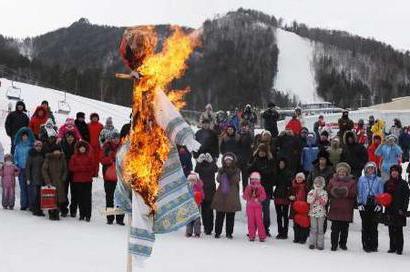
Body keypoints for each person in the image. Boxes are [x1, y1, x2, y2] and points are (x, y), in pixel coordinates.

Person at [327, 162, 357, 251]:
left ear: (347, 172)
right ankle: (334, 244)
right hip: (335, 207)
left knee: (344, 228)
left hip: (346, 208)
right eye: (340, 171)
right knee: (335, 228)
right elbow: (328, 190)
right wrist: (334, 191)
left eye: (344, 171)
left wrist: (345, 192)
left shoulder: (352, 182)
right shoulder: (332, 180)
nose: (341, 173)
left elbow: (353, 193)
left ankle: (343, 244)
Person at [212, 153, 241, 239]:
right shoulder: (221, 170)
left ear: (232, 161)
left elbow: (236, 179)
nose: (228, 162)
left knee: (230, 215)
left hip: (232, 195)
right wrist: (223, 175)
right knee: (219, 215)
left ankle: (229, 233)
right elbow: (218, 179)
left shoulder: (237, 170)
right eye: (226, 160)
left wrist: (229, 175)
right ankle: (217, 232)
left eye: (229, 160)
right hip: (221, 195)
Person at [248, 143, 275, 237]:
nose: (261, 153)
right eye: (260, 151)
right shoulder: (255, 160)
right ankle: (253, 229)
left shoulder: (270, 161)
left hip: (266, 190)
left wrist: (261, 172)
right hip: (255, 191)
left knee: (265, 211)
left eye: (263, 152)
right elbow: (249, 172)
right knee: (254, 212)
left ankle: (265, 229)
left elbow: (271, 174)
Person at [357, 162, 384, 253]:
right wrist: (360, 204)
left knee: (374, 226)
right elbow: (359, 192)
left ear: (375, 170)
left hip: (375, 205)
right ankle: (366, 244)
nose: (370, 170)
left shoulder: (379, 180)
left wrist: (379, 204)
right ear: (365, 170)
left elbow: (381, 193)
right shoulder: (362, 179)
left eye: (372, 168)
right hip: (364, 205)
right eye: (368, 168)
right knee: (365, 225)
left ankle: (374, 245)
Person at [384, 165, 410, 255]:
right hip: (389, 209)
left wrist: (404, 209)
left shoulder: (403, 184)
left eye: (396, 171)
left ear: (399, 172)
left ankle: (399, 248)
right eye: (392, 171)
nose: (394, 172)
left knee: (399, 230)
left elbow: (407, 198)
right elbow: (384, 196)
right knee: (391, 229)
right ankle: (392, 247)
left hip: (399, 209)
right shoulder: (387, 183)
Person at [100, 132, 124, 225]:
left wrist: (118, 159)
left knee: (120, 199)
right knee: (109, 198)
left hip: (121, 178)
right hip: (108, 177)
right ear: (111, 139)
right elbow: (102, 160)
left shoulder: (123, 147)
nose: (116, 140)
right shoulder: (106, 147)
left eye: (117, 138)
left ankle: (120, 219)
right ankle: (110, 218)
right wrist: (111, 159)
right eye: (114, 138)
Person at [69, 141, 95, 222]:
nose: (82, 149)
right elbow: (71, 167)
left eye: (84, 147)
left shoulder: (89, 157)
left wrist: (84, 168)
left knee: (87, 198)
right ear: (78, 148)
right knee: (80, 198)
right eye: (81, 147)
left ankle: (88, 215)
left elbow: (93, 166)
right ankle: (81, 214)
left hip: (87, 180)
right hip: (78, 180)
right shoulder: (74, 157)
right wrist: (81, 168)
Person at [195, 153, 218, 235]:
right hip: (202, 190)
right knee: (204, 211)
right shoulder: (201, 166)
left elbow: (216, 169)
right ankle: (206, 228)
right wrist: (198, 161)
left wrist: (211, 161)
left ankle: (209, 228)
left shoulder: (211, 165)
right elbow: (196, 170)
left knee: (210, 211)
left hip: (211, 190)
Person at [42, 147, 68, 220]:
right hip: (51, 181)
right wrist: (48, 181)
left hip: (60, 182)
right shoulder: (48, 158)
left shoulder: (62, 158)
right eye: (55, 151)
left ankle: (57, 213)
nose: (57, 152)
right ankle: (51, 213)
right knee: (51, 198)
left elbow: (65, 170)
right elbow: (44, 170)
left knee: (59, 198)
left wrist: (63, 178)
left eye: (58, 151)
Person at [13, 127, 35, 210]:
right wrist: (17, 165)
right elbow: (15, 157)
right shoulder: (18, 146)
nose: (25, 137)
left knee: (30, 187)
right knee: (23, 187)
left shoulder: (31, 146)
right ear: (21, 137)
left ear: (28, 137)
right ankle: (23, 204)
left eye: (26, 136)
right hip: (21, 169)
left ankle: (30, 204)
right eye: (23, 136)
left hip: (29, 170)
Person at [243, 172, 267, 242]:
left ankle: (261, 236)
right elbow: (245, 195)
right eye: (253, 179)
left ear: (259, 179)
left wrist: (258, 199)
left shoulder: (260, 187)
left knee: (259, 221)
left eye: (256, 179)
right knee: (251, 221)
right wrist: (250, 198)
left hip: (257, 206)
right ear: (251, 179)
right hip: (250, 206)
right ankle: (252, 235)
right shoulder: (248, 187)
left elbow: (263, 196)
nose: (254, 181)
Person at [60, 131, 78, 217]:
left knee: (74, 192)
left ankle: (73, 210)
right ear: (65, 138)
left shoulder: (77, 146)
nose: (70, 138)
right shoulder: (61, 145)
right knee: (64, 191)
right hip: (65, 171)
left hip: (74, 171)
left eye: (71, 137)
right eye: (68, 137)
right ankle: (64, 209)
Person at [307, 176, 328, 250]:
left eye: (320, 183)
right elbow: (309, 201)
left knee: (320, 229)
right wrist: (314, 196)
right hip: (313, 213)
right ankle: (312, 243)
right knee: (313, 228)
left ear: (322, 184)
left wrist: (319, 198)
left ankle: (320, 244)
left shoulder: (324, 192)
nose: (318, 184)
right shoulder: (311, 191)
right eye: (316, 183)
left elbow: (324, 203)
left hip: (321, 214)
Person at [273, 158, 292, 239]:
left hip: (285, 195)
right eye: (280, 163)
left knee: (285, 215)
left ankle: (285, 232)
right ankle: (280, 231)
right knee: (279, 215)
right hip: (277, 195)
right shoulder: (276, 172)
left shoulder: (288, 173)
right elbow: (274, 182)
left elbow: (290, 184)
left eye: (282, 163)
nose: (281, 165)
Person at [25, 141, 45, 216]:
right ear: (34, 146)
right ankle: (35, 209)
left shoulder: (43, 154)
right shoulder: (31, 154)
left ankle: (40, 209)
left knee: (40, 195)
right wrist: (28, 178)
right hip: (34, 177)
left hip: (42, 178)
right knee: (35, 194)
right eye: (37, 146)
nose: (38, 148)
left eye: (40, 146)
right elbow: (28, 167)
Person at [289, 172, 309, 244]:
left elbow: (309, 195)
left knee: (303, 223)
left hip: (303, 207)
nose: (299, 179)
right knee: (296, 223)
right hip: (295, 207)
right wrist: (290, 196)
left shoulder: (306, 186)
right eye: (297, 177)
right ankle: (296, 238)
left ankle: (303, 238)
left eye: (300, 177)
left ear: (303, 179)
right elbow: (289, 194)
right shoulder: (293, 186)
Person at [185, 172, 204, 237]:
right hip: (189, 205)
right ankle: (188, 232)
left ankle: (197, 232)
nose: (192, 182)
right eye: (190, 180)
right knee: (189, 219)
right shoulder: (187, 187)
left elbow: (203, 195)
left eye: (193, 180)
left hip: (197, 205)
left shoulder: (199, 187)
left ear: (196, 180)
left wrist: (198, 195)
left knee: (197, 219)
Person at [238, 121, 253, 190]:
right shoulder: (237, 135)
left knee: (245, 177)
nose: (244, 127)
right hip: (238, 159)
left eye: (245, 126)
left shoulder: (250, 135)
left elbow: (251, 147)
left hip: (246, 159)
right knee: (236, 177)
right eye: (242, 126)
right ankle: (236, 191)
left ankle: (245, 191)